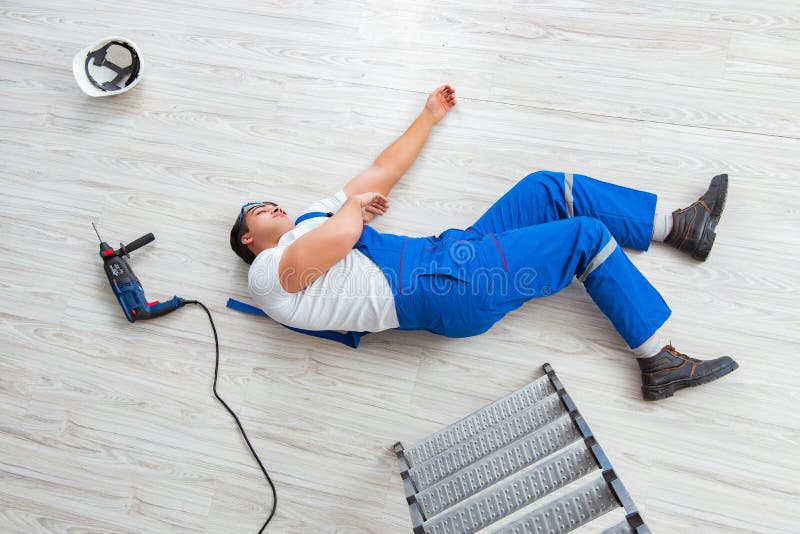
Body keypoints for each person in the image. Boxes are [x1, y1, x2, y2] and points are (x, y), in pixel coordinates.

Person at [229, 84, 738, 401]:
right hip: (440, 290)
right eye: (257, 209)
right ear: (250, 238)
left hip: (447, 255)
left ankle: (678, 226)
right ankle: (658, 360)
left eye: (273, 200)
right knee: (585, 237)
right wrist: (353, 211)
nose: (271, 205)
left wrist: (428, 116)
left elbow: (382, 171)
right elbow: (334, 242)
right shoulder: (265, 278)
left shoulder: (316, 215)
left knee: (544, 187)